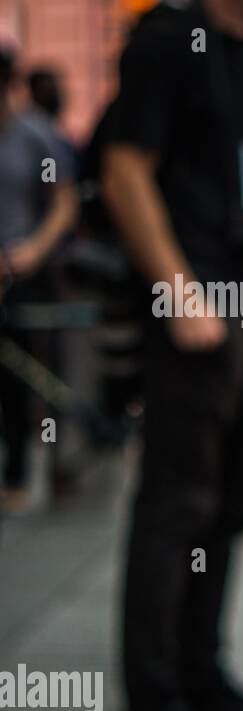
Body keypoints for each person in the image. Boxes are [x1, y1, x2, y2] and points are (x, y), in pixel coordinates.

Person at [102, 0, 243, 711]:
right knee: (175, 507)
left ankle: (202, 679)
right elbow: (124, 173)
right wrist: (179, 293)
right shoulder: (165, 38)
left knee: (226, 504)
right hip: (196, 301)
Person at [0, 46, 78, 514]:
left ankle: (20, 472)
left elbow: (63, 201)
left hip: (21, 274)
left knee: (19, 377)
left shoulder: (34, 137)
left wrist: (32, 250)